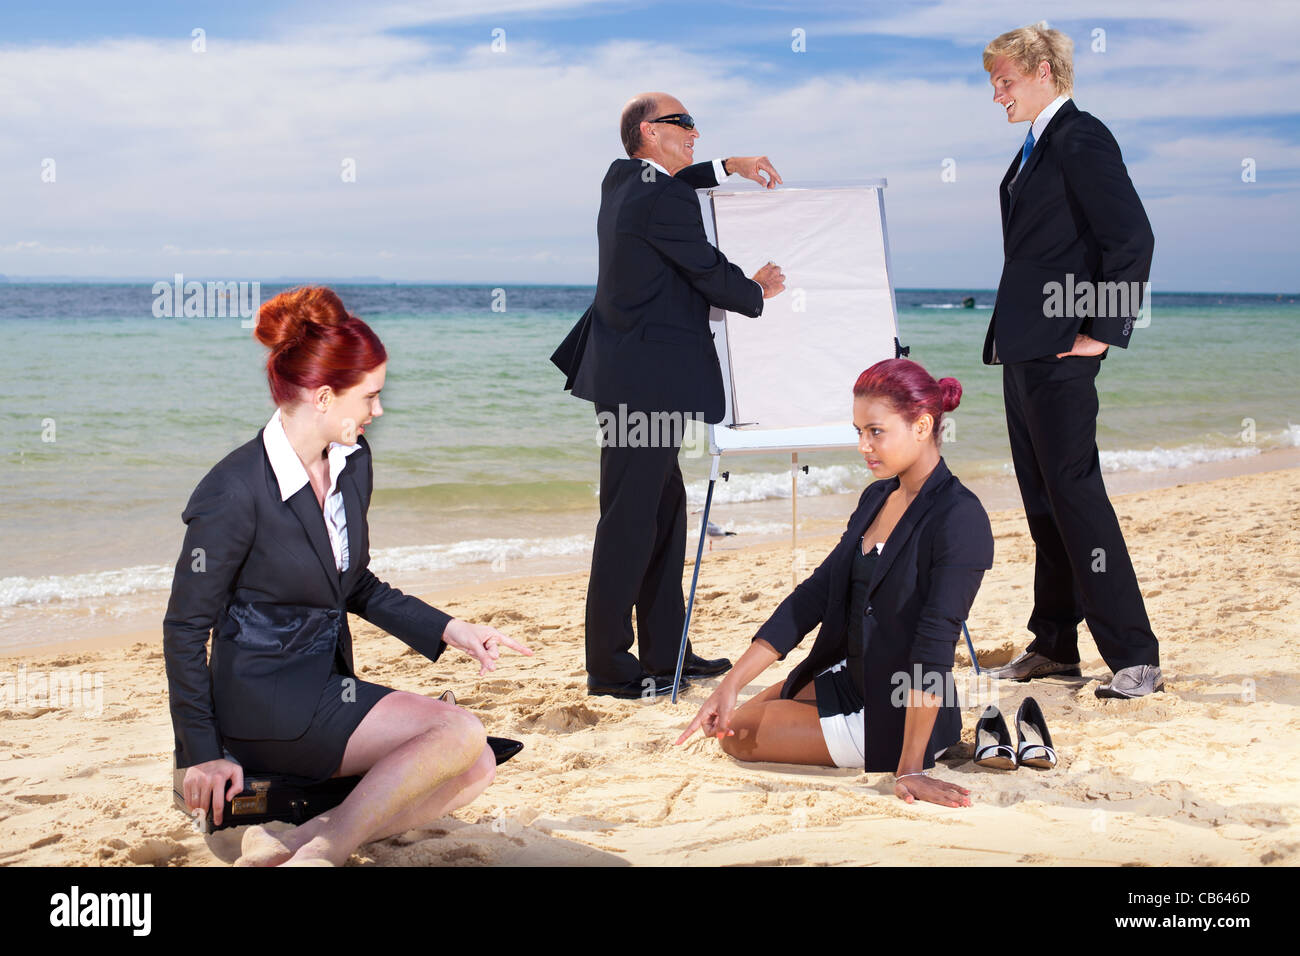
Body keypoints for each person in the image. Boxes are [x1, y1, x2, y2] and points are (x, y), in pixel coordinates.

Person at [163, 286, 532, 866]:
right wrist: (203, 753)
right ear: (326, 395)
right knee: (460, 732)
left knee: (478, 764)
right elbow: (184, 628)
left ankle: (300, 835)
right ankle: (328, 849)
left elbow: (354, 584)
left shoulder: (351, 462)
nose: (377, 412)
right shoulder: (233, 490)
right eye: (370, 396)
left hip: (323, 684)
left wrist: (451, 629)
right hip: (261, 700)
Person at [550, 91, 786, 699]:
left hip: (636, 379)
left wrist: (727, 166)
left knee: (661, 518)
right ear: (649, 132)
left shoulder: (623, 181)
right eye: (683, 124)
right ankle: (608, 666)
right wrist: (756, 290)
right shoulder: (659, 198)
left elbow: (676, 188)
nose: (694, 132)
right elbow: (705, 269)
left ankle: (663, 653)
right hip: (642, 386)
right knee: (629, 522)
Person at [676, 360, 993, 808]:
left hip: (897, 715)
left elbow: (934, 646)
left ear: (922, 426)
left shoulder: (960, 517)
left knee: (737, 737)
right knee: (739, 713)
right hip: (852, 677)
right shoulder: (878, 495)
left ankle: (902, 750)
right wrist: (728, 684)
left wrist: (910, 767)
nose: (863, 445)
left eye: (875, 432)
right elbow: (815, 595)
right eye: (858, 431)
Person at [981, 23, 1162, 698]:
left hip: (1061, 347)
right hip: (1024, 344)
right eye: (993, 83)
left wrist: (1103, 329)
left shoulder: (1081, 136)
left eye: (1005, 80)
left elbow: (1131, 234)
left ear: (1043, 72)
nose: (997, 94)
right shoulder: (1035, 147)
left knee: (1077, 496)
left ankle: (1135, 657)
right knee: (1045, 502)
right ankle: (1054, 645)